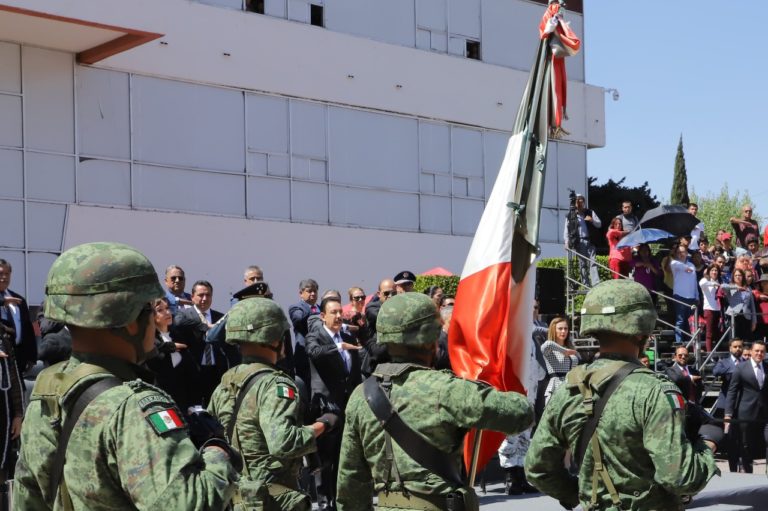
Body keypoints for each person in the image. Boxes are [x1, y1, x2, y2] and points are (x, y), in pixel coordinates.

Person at [14, 242, 240, 509]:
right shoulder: (135, 405)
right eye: (149, 309)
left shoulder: (48, 387)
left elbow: (26, 496)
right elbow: (188, 503)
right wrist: (217, 452)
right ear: (130, 319)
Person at [525, 279, 720, 510]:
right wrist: (707, 444)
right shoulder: (654, 391)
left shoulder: (570, 388)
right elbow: (680, 478)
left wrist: (579, 493)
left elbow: (537, 468)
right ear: (642, 331)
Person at [336, 293, 534, 510]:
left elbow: (350, 481)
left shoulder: (361, 395)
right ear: (431, 339)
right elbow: (521, 414)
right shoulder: (447, 389)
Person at [209, 298, 339, 510]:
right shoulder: (276, 385)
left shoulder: (225, 382)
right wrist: (323, 424)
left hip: (237, 500)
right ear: (272, 338)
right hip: (273, 499)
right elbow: (284, 443)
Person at [305, 297, 363, 510]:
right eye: (333, 312)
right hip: (325, 407)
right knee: (325, 460)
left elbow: (354, 372)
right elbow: (314, 353)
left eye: (340, 312)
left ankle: (340, 500)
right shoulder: (316, 336)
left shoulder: (349, 336)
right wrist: (338, 346)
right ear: (323, 316)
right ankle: (324, 502)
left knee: (343, 455)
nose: (339, 316)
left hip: (347, 405)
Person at [146, 297, 198, 412]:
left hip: (183, 402)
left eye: (167, 308)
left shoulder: (178, 335)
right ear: (151, 315)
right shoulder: (149, 341)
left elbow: (190, 371)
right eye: (160, 310)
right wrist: (169, 347)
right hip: (160, 402)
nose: (167, 312)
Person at [725, 339, 768, 474]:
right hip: (746, 413)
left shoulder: (767, 367)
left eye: (762, 351)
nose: (759, 353)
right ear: (751, 351)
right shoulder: (741, 368)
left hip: (765, 413)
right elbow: (732, 391)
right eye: (757, 351)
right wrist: (728, 413)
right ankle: (748, 474)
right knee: (746, 445)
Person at [0, 259, 37, 383]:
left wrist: (31, 356)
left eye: (7, 274)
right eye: (0, 273)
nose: (4, 277)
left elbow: (27, 328)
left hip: (16, 359)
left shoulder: (18, 300)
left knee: (16, 399)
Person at [712, 338, 746, 472]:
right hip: (727, 404)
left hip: (743, 404)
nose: (738, 349)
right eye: (735, 347)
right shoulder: (724, 362)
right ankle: (732, 466)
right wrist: (734, 371)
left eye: (740, 346)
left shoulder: (747, 363)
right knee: (731, 437)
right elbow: (716, 372)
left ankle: (743, 464)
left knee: (743, 438)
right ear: (730, 348)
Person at [0, 299, 24, 488]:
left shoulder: (5, 338)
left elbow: (14, 378)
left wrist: (18, 415)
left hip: (5, 415)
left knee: (4, 469)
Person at [564, 193, 602, 288]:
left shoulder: (590, 212)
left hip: (590, 240)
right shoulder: (571, 215)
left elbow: (599, 224)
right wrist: (566, 241)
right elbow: (566, 229)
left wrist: (592, 220)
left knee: (593, 262)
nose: (579, 203)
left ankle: (596, 284)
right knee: (582, 264)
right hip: (579, 242)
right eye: (577, 201)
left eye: (581, 201)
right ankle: (586, 285)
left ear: (584, 202)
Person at [288, 278, 320, 387]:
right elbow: (298, 319)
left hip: (321, 354)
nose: (313, 294)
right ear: (301, 293)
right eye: (309, 291)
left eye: (315, 291)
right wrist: (312, 310)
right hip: (304, 355)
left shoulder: (322, 308)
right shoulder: (296, 308)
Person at [541, 317, 580, 404]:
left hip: (571, 387)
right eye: (560, 328)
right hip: (556, 387)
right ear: (553, 330)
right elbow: (547, 344)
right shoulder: (550, 350)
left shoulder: (570, 347)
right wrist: (564, 351)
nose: (563, 331)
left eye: (565, 329)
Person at [669, 244, 698, 344]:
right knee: (680, 320)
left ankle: (690, 342)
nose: (681, 254)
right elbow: (679, 266)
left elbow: (694, 282)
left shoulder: (692, 265)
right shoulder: (674, 263)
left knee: (691, 322)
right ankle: (679, 342)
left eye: (683, 252)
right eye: (679, 252)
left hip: (691, 296)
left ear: (686, 253)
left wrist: (696, 296)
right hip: (679, 295)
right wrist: (686, 268)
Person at [720, 268, 757, 341]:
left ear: (743, 276)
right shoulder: (730, 287)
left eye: (739, 275)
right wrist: (737, 287)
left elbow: (752, 306)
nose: (737, 277)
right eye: (736, 275)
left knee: (745, 339)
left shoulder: (748, 288)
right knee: (734, 338)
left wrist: (754, 322)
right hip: (734, 316)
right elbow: (722, 286)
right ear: (733, 277)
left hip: (746, 316)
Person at [700, 264, 722, 352]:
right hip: (709, 309)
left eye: (716, 270)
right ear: (709, 271)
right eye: (712, 270)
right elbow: (701, 283)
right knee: (709, 333)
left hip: (719, 309)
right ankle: (709, 354)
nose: (714, 272)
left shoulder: (720, 281)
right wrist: (713, 283)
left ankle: (717, 352)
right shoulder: (705, 280)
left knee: (718, 333)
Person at [754, 274, 768, 339]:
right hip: (760, 322)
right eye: (763, 283)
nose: (765, 284)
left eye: (766, 282)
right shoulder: (757, 293)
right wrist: (759, 296)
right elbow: (751, 293)